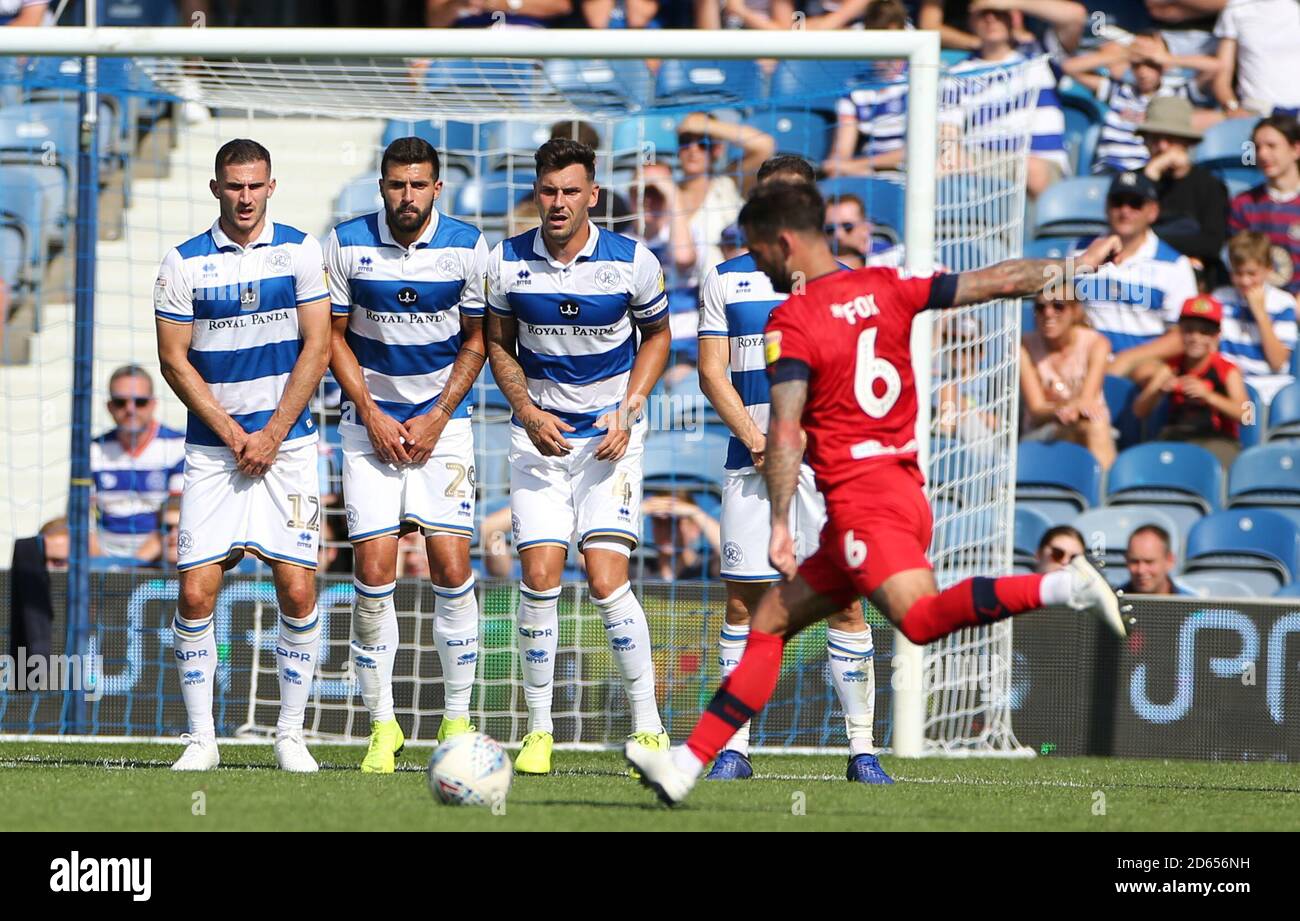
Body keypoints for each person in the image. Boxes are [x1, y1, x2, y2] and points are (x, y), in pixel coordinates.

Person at [626, 181, 1127, 805]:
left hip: (867, 503)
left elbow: (784, 430)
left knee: (917, 619)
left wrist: (780, 519)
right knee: (771, 621)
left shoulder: (795, 319)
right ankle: (688, 763)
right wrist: (1073, 267)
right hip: (887, 495)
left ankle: (1064, 584)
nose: (761, 267)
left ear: (784, 242)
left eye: (760, 252)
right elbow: (997, 280)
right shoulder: (891, 283)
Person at [698, 155, 890, 783]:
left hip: (827, 469)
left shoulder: (849, 282)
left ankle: (862, 750)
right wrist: (758, 436)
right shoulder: (725, 278)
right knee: (743, 606)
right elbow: (711, 372)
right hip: (750, 460)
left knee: (845, 604)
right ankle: (734, 749)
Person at [485, 138, 673, 775]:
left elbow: (658, 336)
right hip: (538, 438)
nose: (558, 202)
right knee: (538, 578)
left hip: (607, 440)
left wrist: (633, 404)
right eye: (548, 191)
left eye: (571, 191)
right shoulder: (506, 261)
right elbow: (497, 345)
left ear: (593, 195)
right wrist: (529, 412)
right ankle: (539, 732)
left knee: (603, 579)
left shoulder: (632, 262)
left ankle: (647, 725)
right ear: (535, 194)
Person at [154, 138, 331, 773]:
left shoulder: (301, 251)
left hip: (289, 449)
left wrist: (273, 433)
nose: (246, 197)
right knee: (197, 592)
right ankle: (202, 738)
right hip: (212, 451)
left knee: (296, 586)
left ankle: (290, 734)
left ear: (272, 186)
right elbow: (173, 359)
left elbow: (318, 346)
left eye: (255, 185)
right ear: (216, 188)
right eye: (234, 186)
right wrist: (233, 433)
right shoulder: (182, 263)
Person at [323, 136, 489, 773]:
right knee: (373, 574)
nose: (407, 196)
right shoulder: (347, 243)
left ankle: (456, 716)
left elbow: (478, 340)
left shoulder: (469, 246)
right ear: (382, 186)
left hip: (442, 427)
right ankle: (383, 727)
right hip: (369, 428)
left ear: (437, 188)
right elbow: (332, 338)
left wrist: (437, 414)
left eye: (418, 185)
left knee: (450, 565)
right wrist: (371, 413)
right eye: (396, 185)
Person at [946, 1, 1073, 199]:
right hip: (981, 161)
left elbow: (1074, 17)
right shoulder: (957, 73)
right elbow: (948, 128)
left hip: (1039, 164)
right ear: (971, 20)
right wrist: (951, 155)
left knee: (1033, 169)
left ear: (1013, 16)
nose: (991, 19)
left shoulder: (1039, 56)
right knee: (942, 164)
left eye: (998, 13)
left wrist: (1007, 2)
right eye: (983, 14)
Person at [1075, 170, 1197, 376]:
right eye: (1117, 202)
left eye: (1135, 203)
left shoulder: (1175, 265)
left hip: (1140, 369)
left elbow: (1183, 336)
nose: (1125, 211)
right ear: (1106, 207)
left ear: (1152, 211)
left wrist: (1127, 360)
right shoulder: (1080, 251)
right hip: (1084, 365)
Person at [1134, 293, 1247, 467]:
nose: (1196, 338)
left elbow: (1247, 415)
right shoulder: (1170, 367)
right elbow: (1139, 411)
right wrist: (1159, 389)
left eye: (1204, 332)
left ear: (1216, 336)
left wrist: (1209, 396)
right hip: (1175, 439)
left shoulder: (1227, 370)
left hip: (1218, 441)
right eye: (1189, 330)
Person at [89, 365, 185, 563]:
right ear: (109, 407)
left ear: (153, 404)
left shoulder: (177, 446)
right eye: (120, 402)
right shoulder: (93, 450)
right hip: (104, 552)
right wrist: (102, 562)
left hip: (162, 553)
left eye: (139, 402)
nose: (130, 409)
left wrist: (133, 564)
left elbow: (177, 514)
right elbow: (83, 516)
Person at [1019, 292, 1115, 470]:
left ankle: (1103, 493)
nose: (1048, 313)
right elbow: (1037, 410)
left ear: (1075, 311)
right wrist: (1059, 412)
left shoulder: (1097, 343)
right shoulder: (1024, 347)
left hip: (1089, 424)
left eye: (1058, 306)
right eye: (1040, 307)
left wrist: (1070, 409)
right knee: (1094, 427)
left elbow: (1087, 399)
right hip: (1043, 430)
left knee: (1095, 426)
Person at [1136, 96, 1229, 280]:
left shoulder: (1210, 185)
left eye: (1170, 138)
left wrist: (1149, 241)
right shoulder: (1134, 181)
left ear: (1186, 142)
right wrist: (1150, 177)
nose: (1162, 147)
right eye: (1154, 138)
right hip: (1141, 275)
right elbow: (1125, 231)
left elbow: (1211, 244)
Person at [822, 0, 909, 180]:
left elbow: (922, 151)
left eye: (889, 38)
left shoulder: (922, 80)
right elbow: (840, 154)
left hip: (912, 172)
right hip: (869, 174)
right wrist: (839, 166)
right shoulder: (855, 89)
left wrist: (856, 165)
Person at [1211, 231, 1297, 403]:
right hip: (1226, 383)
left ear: (1268, 269)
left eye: (1252, 273)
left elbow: (1278, 362)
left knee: (1248, 417)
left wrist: (1260, 314)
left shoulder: (1282, 303)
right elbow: (1212, 348)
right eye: (1238, 273)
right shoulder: (1220, 298)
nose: (1245, 281)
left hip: (1267, 389)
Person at [1228, 114, 1300, 301]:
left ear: (1295, 149)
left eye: (1272, 146)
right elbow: (1238, 260)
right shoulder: (1244, 203)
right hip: (1257, 303)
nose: (1262, 154)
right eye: (1257, 148)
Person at [1212, 0, 1300, 118]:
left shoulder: (1295, 7)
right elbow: (1221, 74)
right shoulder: (1235, 9)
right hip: (1257, 113)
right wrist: (1232, 107)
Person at [640, 491, 722, 582]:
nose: (666, 530)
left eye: (675, 522)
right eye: (659, 522)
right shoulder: (640, 568)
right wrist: (638, 510)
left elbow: (730, 554)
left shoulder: (707, 566)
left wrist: (696, 512)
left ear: (695, 528)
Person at [1119, 524, 1191, 595]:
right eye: (1134, 562)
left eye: (1149, 562)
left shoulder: (1191, 605)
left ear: (1170, 560)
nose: (1141, 570)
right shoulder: (1111, 604)